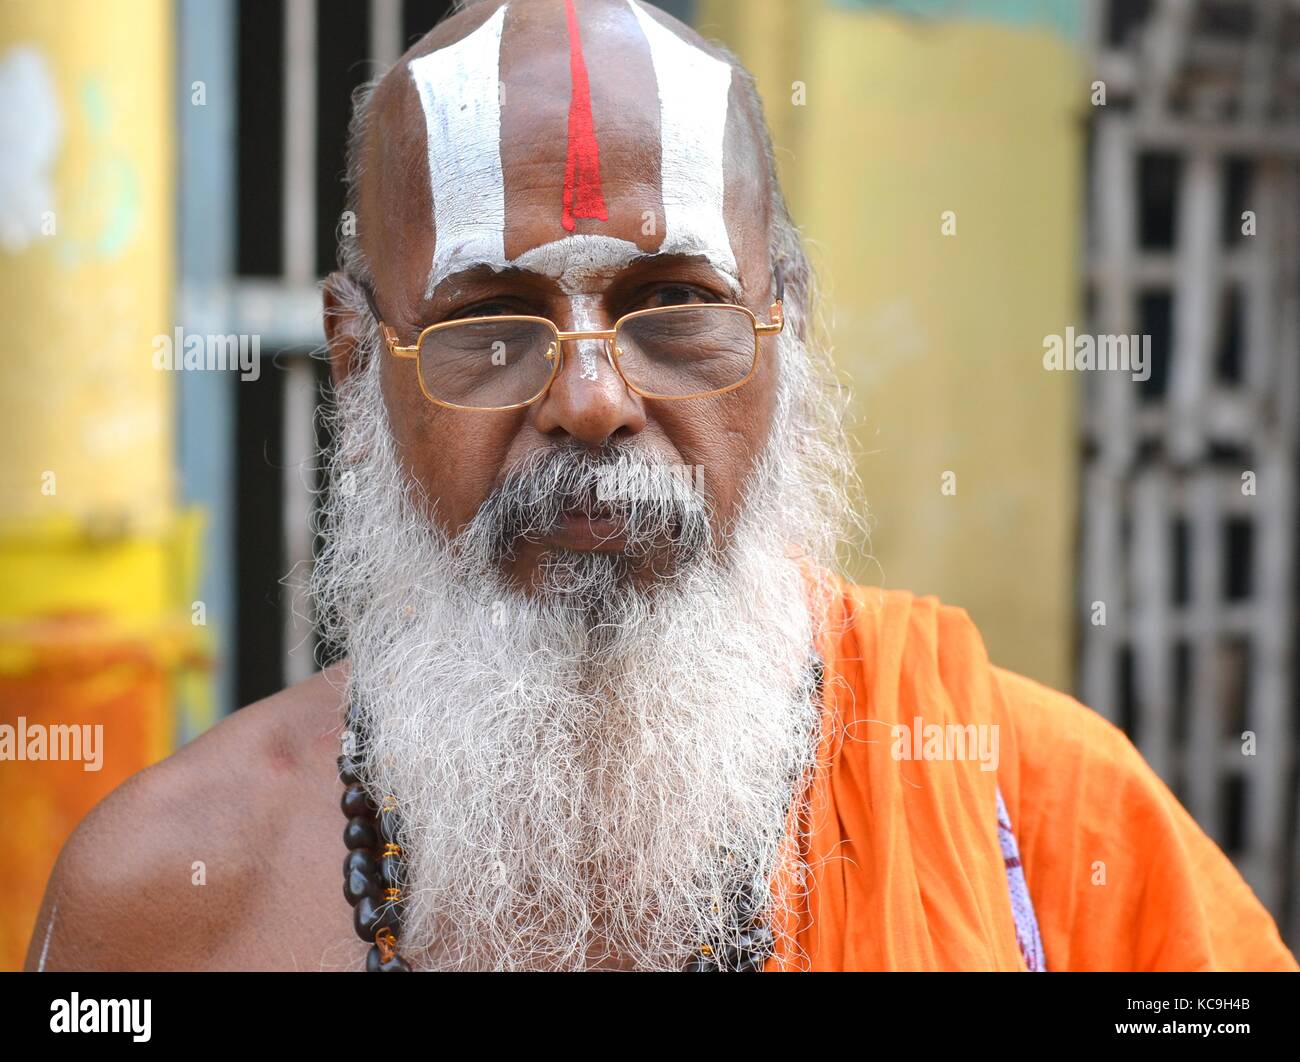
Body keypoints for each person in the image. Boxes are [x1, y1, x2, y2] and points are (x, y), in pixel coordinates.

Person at [25, 0, 1297, 972]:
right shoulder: (165, 903)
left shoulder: (1047, 828)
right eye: (490, 324)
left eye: (673, 306)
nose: (590, 400)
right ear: (361, 364)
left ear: (783, 328)